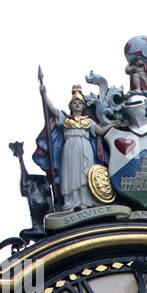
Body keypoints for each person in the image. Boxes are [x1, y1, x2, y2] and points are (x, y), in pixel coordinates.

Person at [40, 81, 112, 211]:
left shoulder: (88, 121)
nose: (77, 105)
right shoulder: (66, 119)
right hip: (70, 148)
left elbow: (100, 131)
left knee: (85, 173)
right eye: (75, 103)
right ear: (71, 105)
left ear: (83, 106)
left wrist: (113, 124)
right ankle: (71, 201)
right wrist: (44, 94)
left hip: (85, 147)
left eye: (79, 103)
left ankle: (86, 201)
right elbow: (51, 108)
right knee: (71, 173)